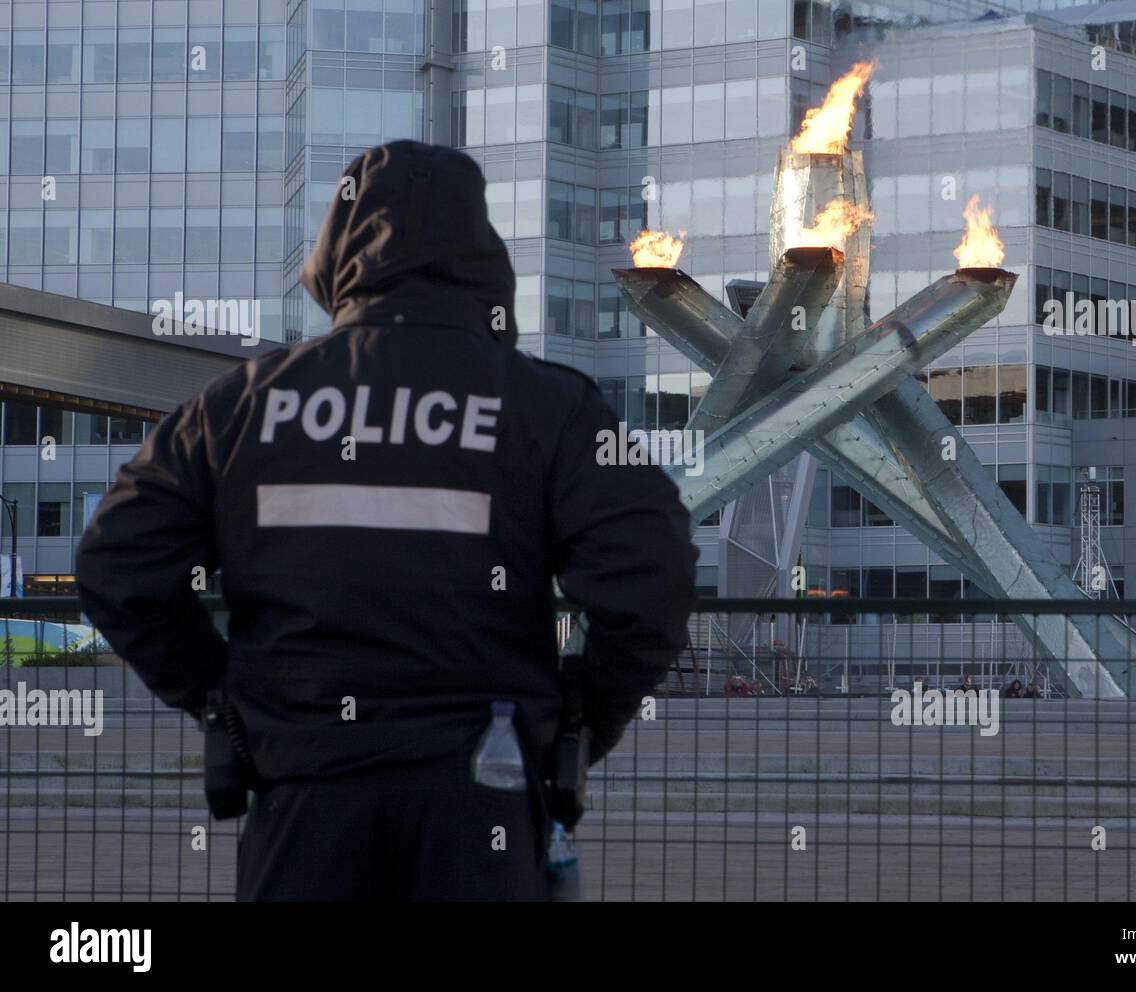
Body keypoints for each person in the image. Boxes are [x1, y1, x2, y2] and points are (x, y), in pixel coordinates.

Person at [74, 141, 698, 901]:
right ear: (482, 252)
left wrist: (221, 697)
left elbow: (115, 563)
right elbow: (652, 573)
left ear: (337, 250)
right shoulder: (549, 407)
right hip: (484, 802)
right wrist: (580, 721)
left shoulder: (240, 406)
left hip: (302, 797)